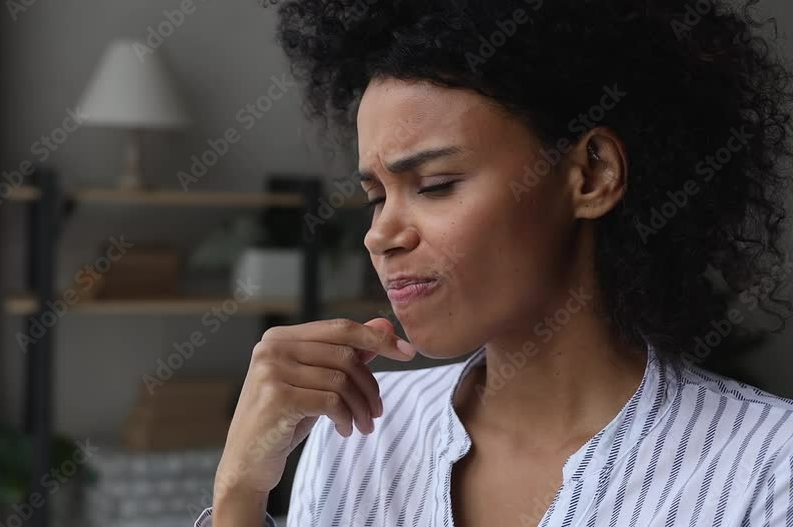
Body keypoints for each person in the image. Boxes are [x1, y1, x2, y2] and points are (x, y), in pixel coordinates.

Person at [195, 0, 793, 525]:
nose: (380, 236)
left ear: (591, 175)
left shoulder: (768, 467)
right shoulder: (357, 434)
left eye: (435, 185)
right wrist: (239, 492)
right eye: (376, 197)